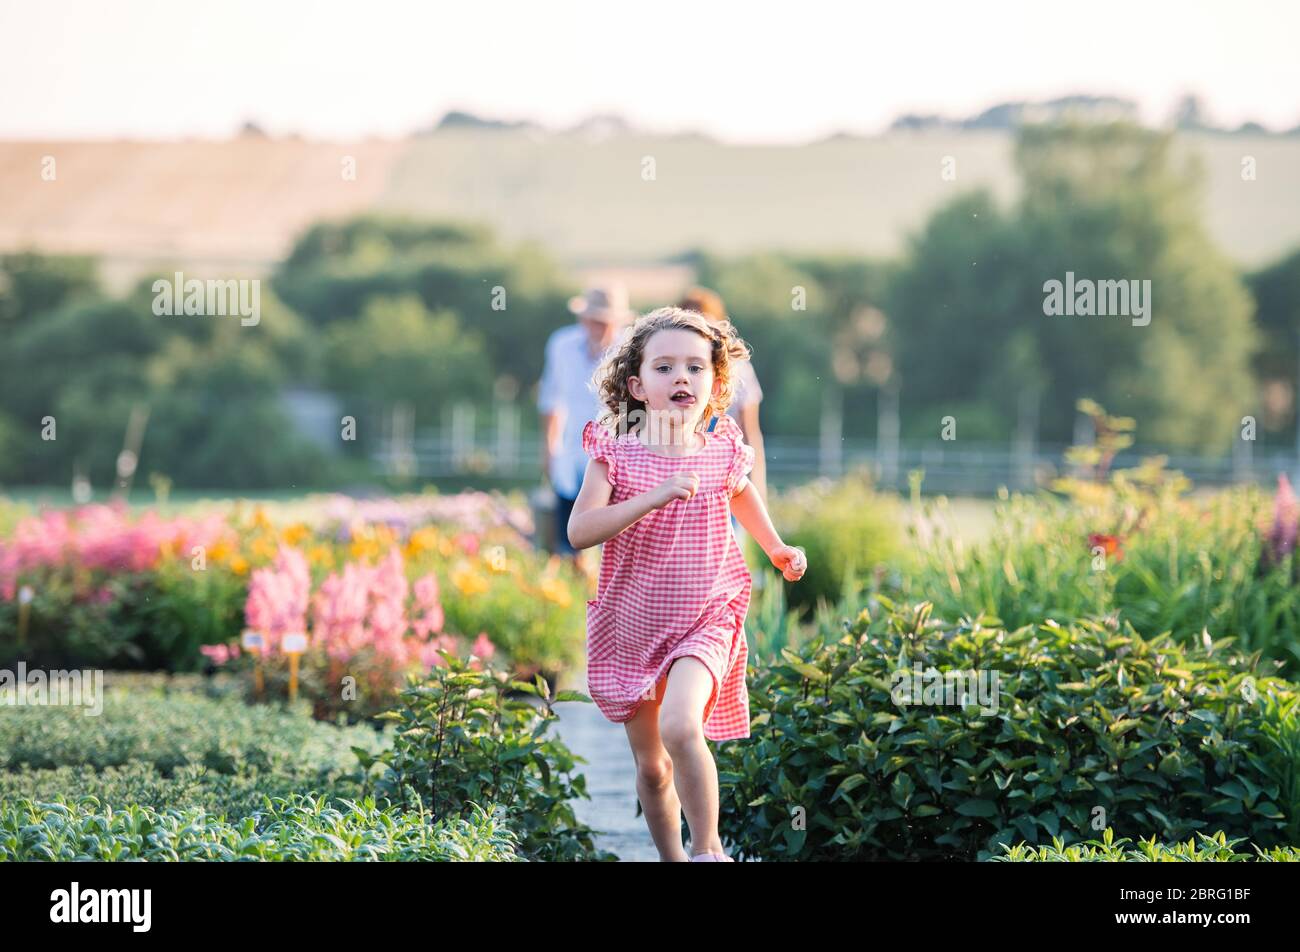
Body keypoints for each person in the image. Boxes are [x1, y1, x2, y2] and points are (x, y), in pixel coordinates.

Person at [566, 306, 808, 862]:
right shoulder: (615, 451)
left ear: (717, 383)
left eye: (696, 368)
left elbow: (741, 493)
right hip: (633, 623)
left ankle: (708, 850)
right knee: (652, 769)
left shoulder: (723, 447)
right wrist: (653, 496)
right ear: (637, 384)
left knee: (681, 725)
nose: (682, 378)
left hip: (707, 613)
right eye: (665, 366)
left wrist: (775, 548)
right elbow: (579, 531)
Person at [537, 284, 634, 565]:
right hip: (571, 453)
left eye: (605, 321)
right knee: (569, 541)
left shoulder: (628, 350)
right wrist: (548, 448)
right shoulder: (561, 345)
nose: (599, 326)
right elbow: (550, 398)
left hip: (616, 454)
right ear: (583, 319)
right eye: (594, 319)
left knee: (612, 538)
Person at [676, 287, 767, 503]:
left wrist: (759, 487)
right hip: (682, 471)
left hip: (727, 473)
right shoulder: (673, 367)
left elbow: (751, 431)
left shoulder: (739, 368)